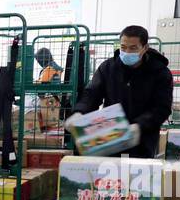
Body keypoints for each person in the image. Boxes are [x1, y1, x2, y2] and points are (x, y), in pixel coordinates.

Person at [71, 25, 173, 158]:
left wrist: (139, 126)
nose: (127, 52)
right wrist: (80, 112)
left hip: (142, 136)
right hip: (110, 133)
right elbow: (92, 94)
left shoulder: (159, 72)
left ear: (145, 48)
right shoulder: (108, 68)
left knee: (136, 174)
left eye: (133, 48)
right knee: (106, 174)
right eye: (123, 47)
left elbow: (162, 107)